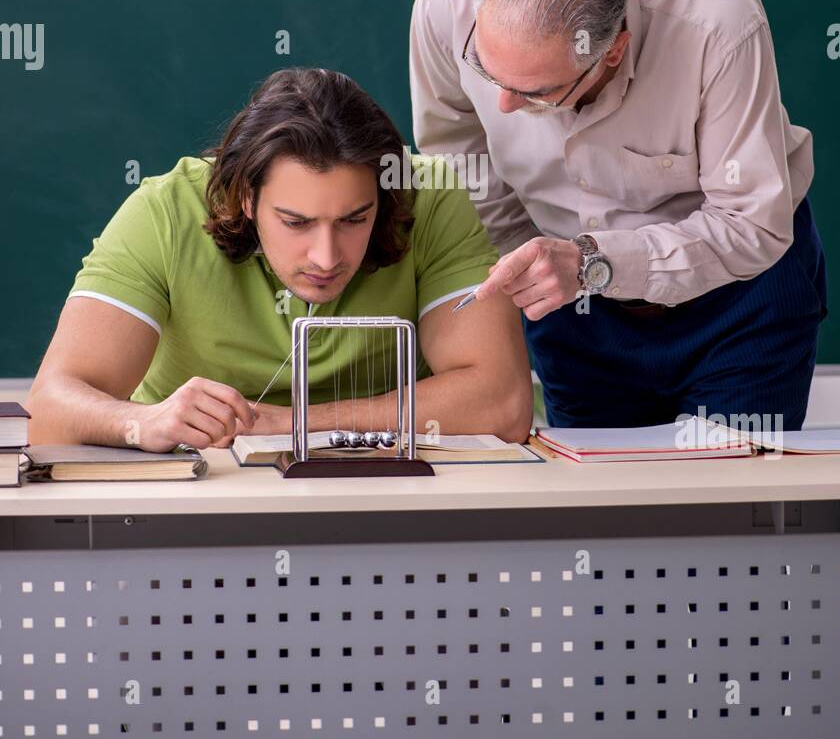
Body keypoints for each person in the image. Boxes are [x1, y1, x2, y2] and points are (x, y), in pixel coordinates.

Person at [410, 0, 827, 429]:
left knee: (728, 495)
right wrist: (533, 263)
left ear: (612, 51)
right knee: (596, 502)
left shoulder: (716, 22)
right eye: (486, 71)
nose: (504, 104)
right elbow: (460, 159)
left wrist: (589, 262)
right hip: (573, 306)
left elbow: (751, 224)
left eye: (537, 92)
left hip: (736, 299)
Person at [28, 68, 533, 451]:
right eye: (296, 223)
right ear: (246, 199)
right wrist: (143, 422)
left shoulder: (431, 197)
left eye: (355, 219)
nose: (326, 256)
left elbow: (504, 404)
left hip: (380, 494)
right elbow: (51, 408)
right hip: (199, 494)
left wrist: (294, 422)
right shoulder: (163, 212)